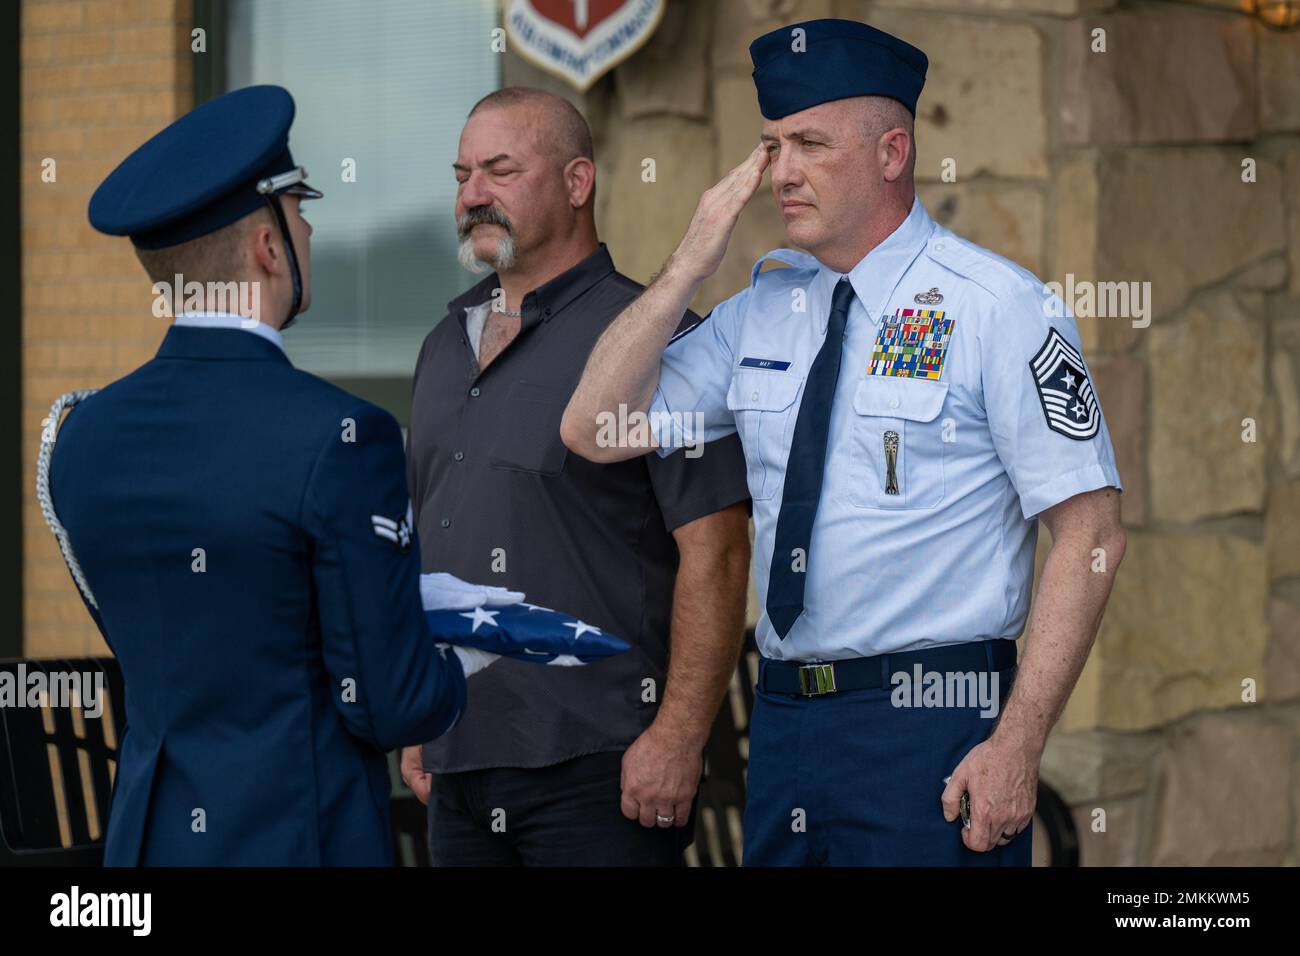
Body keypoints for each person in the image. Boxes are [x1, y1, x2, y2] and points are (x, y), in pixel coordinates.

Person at [561, 19, 1126, 866]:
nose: (780, 173)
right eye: (771, 146)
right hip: (787, 726)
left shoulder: (997, 306)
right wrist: (686, 266)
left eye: (809, 145)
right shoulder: (763, 309)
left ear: (892, 152)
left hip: (935, 726)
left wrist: (1018, 744)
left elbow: (1092, 534)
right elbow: (594, 429)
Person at [44, 85, 470, 865]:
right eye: (298, 208)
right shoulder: (342, 437)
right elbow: (389, 702)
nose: (309, 229)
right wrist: (464, 655)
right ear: (267, 248)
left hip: (145, 847)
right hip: (296, 836)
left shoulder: (81, 436)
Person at [399, 87, 752, 866]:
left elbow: (718, 551)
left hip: (603, 766)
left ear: (577, 182)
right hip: (458, 763)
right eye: (462, 175)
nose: (472, 195)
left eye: (500, 170)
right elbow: (430, 543)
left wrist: (681, 735)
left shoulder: (663, 345)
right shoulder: (440, 344)